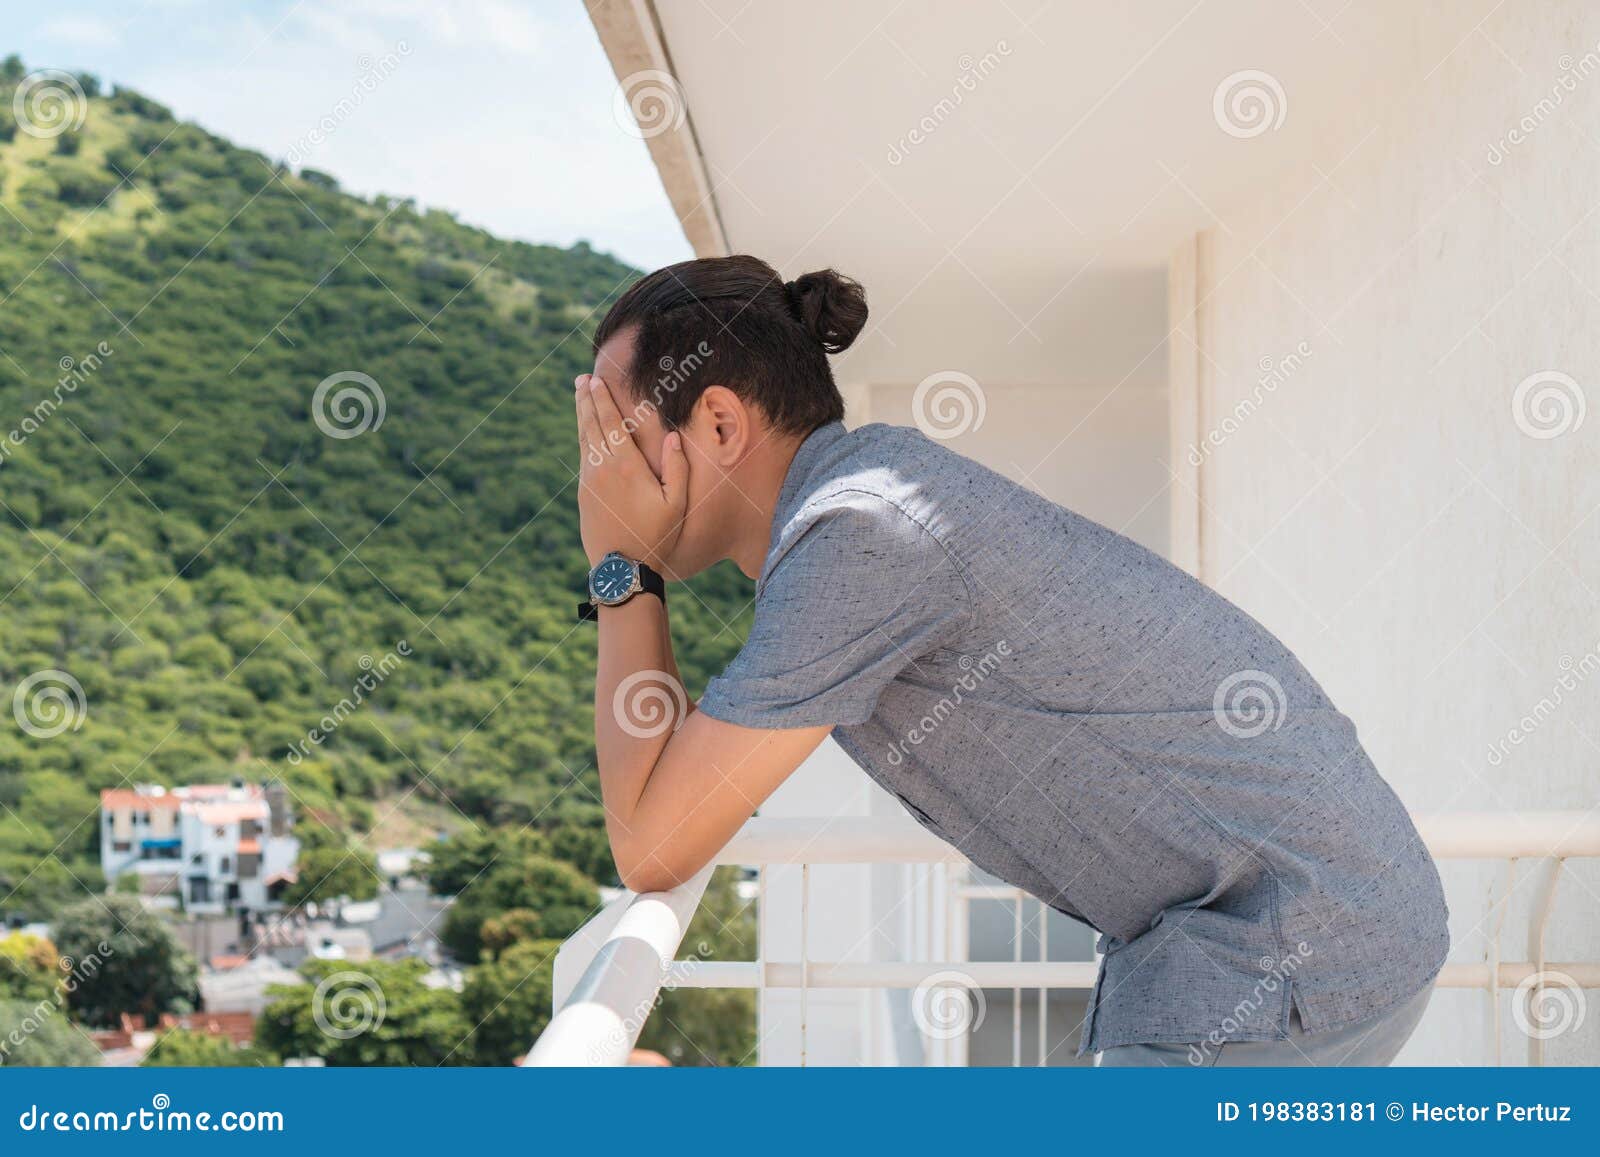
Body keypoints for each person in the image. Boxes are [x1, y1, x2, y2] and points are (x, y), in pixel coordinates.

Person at [572, 254, 1448, 1066]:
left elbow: (651, 844)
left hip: (1295, 940)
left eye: (613, 433)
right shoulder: (864, 500)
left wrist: (620, 564)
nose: (599, 470)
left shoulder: (860, 534)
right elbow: (659, 821)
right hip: (1250, 927)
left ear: (720, 421)